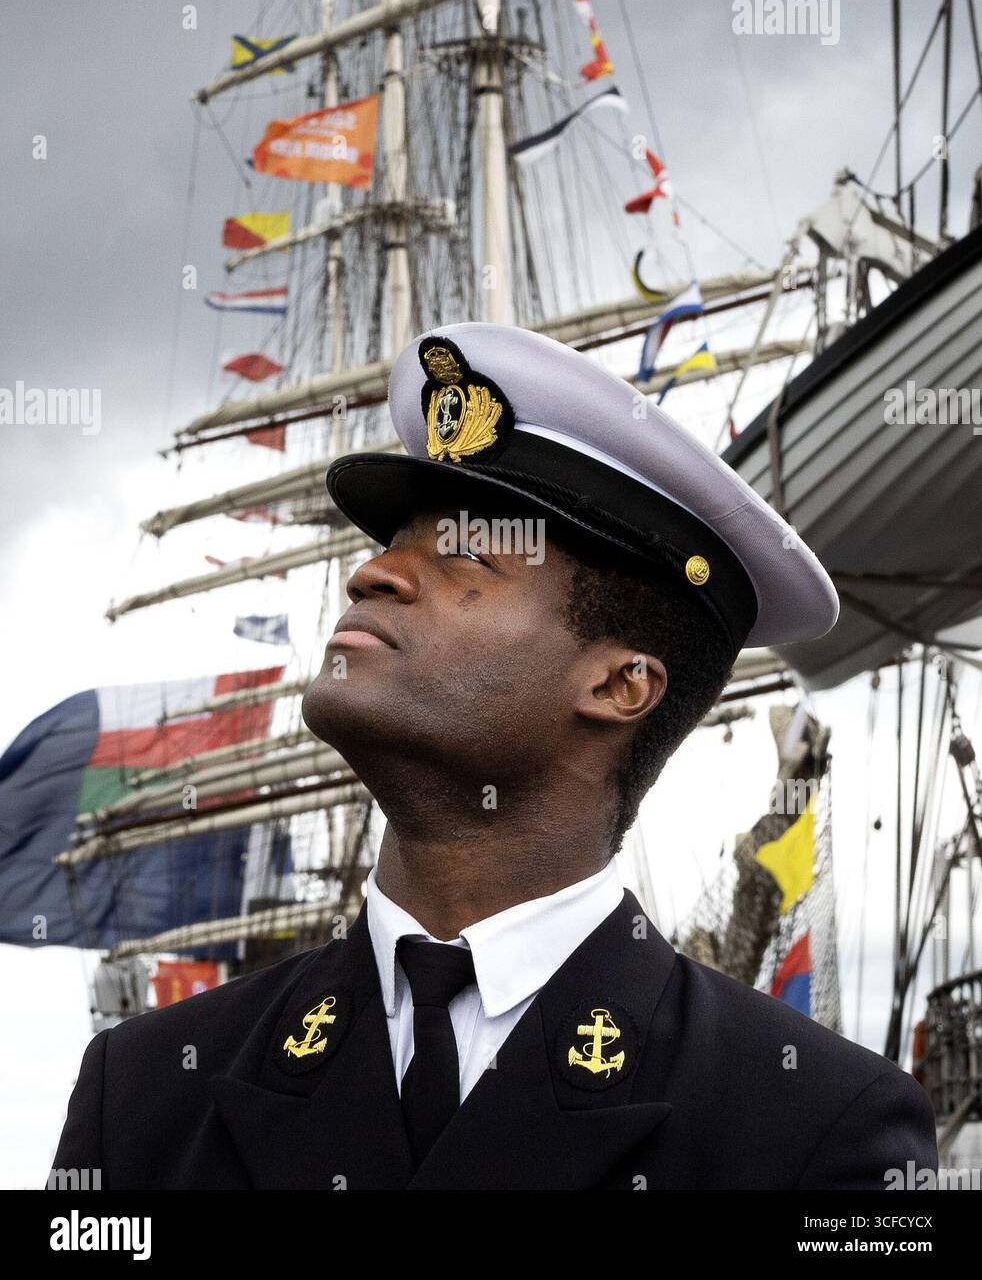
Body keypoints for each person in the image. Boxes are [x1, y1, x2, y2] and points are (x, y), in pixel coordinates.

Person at [49, 322, 937, 1190]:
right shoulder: (140, 1096)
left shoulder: (819, 1132)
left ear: (619, 685)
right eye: (391, 545)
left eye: (466, 552)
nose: (373, 574)